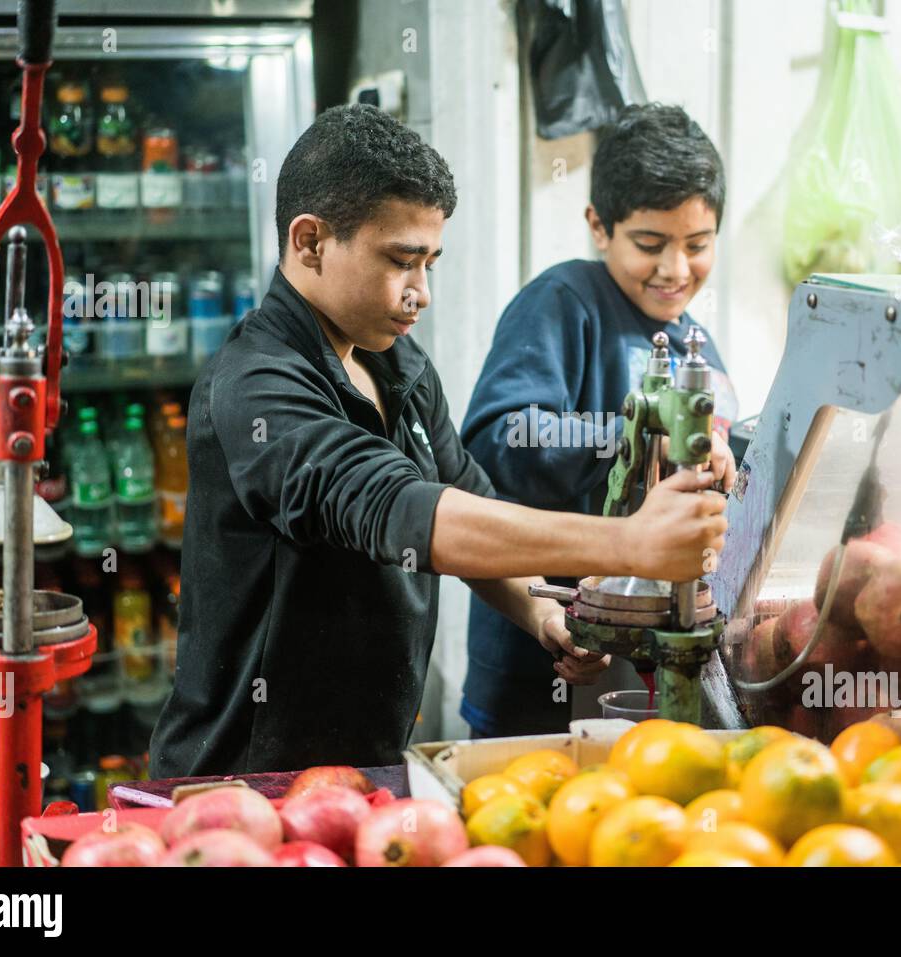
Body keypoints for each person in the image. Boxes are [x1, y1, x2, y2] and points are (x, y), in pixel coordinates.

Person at [148, 105, 727, 777]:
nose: (421, 292)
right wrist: (628, 543)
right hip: (245, 778)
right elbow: (401, 511)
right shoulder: (257, 384)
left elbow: (462, 494)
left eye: (430, 263)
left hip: (365, 766)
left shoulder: (398, 365)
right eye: (401, 261)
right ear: (310, 243)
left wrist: (539, 608)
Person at [459, 103, 740, 738]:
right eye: (650, 244)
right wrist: (634, 438)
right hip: (548, 663)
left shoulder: (699, 347)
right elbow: (499, 439)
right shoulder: (563, 304)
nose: (675, 269)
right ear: (598, 225)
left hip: (654, 660)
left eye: (697, 245)